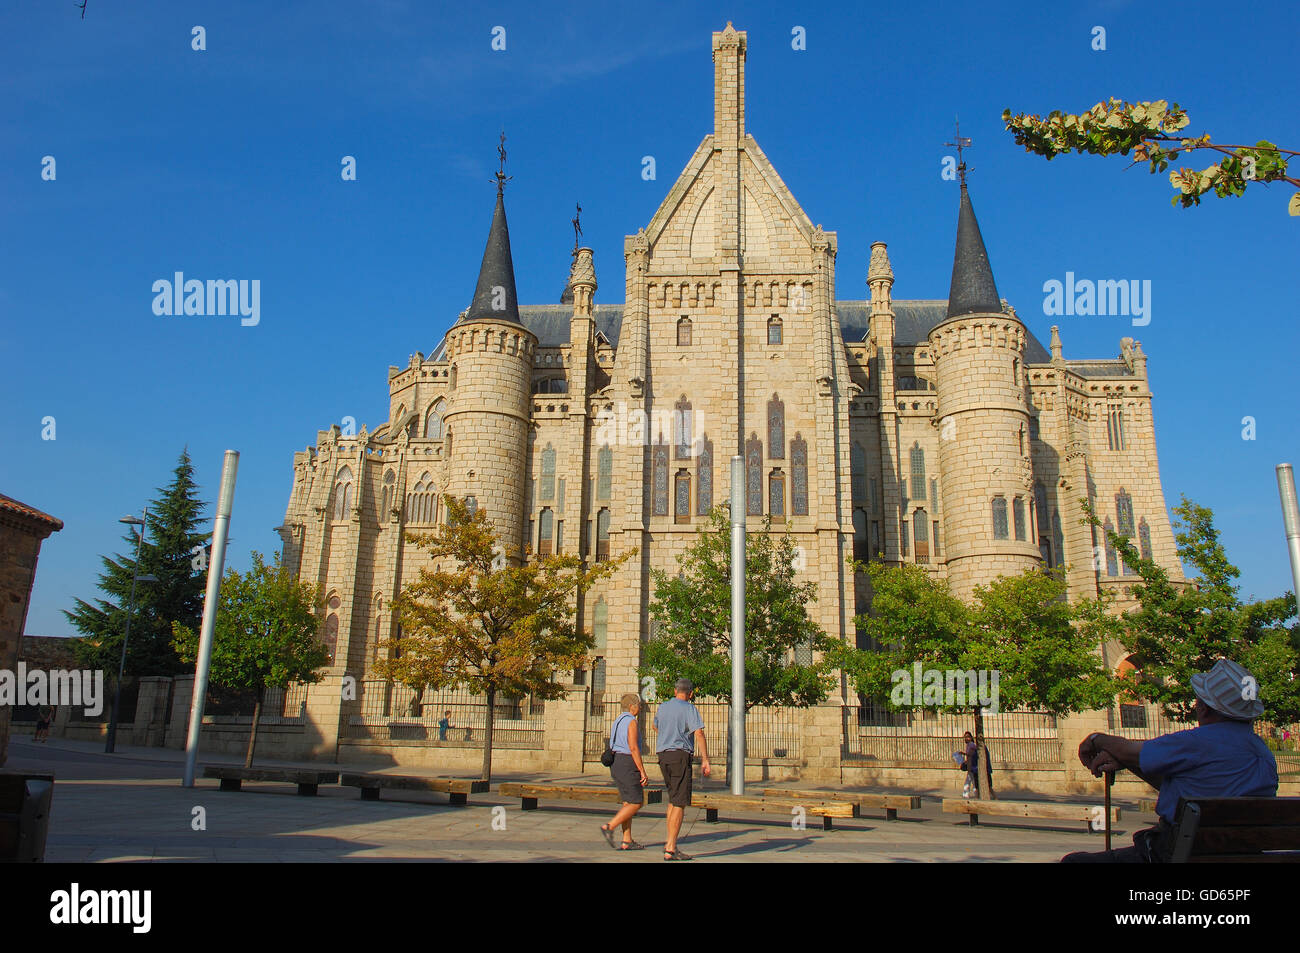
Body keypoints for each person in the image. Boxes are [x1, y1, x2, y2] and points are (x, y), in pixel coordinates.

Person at [1061, 658, 1278, 863]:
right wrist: (1127, 762)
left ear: (1203, 708)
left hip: (1177, 854)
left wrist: (1097, 739)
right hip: (1239, 855)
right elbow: (1182, 791)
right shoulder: (1263, 753)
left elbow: (1132, 751)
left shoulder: (1197, 742)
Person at [655, 678, 711, 861]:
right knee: (679, 802)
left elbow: (656, 726)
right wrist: (705, 759)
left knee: (673, 799)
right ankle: (671, 848)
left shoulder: (662, 707)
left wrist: (668, 734)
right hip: (680, 755)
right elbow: (699, 733)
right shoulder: (689, 708)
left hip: (663, 756)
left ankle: (669, 842)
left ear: (674, 690)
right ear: (690, 693)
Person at [600, 693, 650, 850]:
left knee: (628, 802)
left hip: (616, 763)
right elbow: (633, 747)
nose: (640, 708)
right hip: (627, 762)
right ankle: (609, 826)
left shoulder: (618, 721)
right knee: (637, 802)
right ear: (632, 706)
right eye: (639, 705)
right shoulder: (631, 722)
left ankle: (627, 840)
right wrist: (642, 771)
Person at [961, 731, 980, 798]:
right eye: (965, 737)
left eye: (968, 737)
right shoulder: (969, 745)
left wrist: (963, 754)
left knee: (972, 781)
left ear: (971, 738)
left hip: (973, 766)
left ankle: (973, 794)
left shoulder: (971, 745)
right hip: (971, 766)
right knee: (970, 780)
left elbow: (971, 754)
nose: (966, 738)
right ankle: (967, 794)